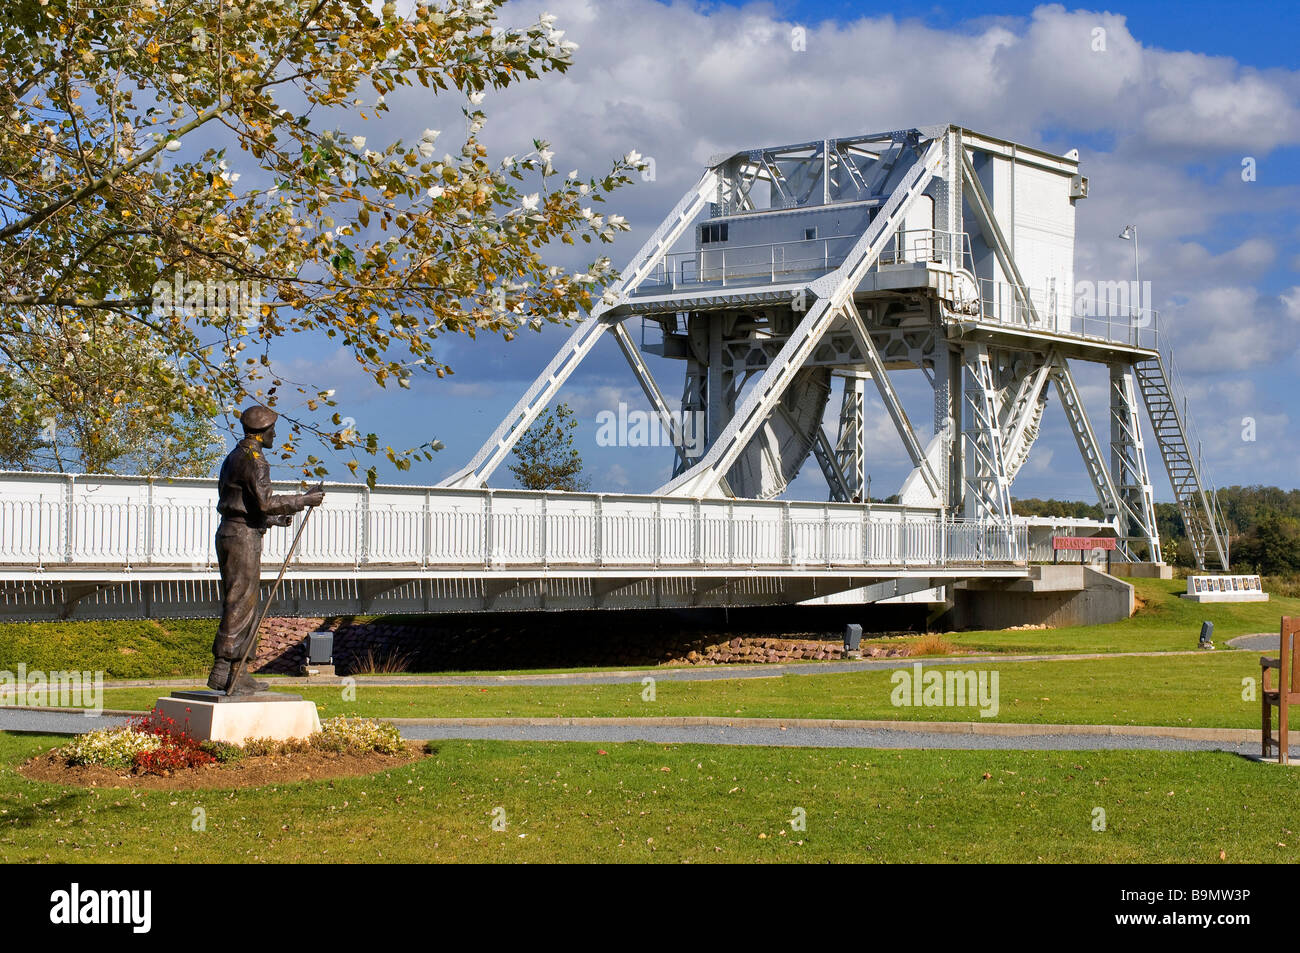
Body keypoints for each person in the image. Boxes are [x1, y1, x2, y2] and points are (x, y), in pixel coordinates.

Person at [208, 405, 325, 694]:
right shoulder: (256, 461)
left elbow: (244, 504)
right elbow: (263, 502)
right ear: (264, 431)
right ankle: (222, 670)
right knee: (241, 603)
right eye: (273, 429)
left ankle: (237, 671)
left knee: (243, 603)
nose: (276, 434)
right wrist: (303, 501)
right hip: (242, 538)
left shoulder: (234, 456)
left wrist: (274, 520)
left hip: (231, 531)